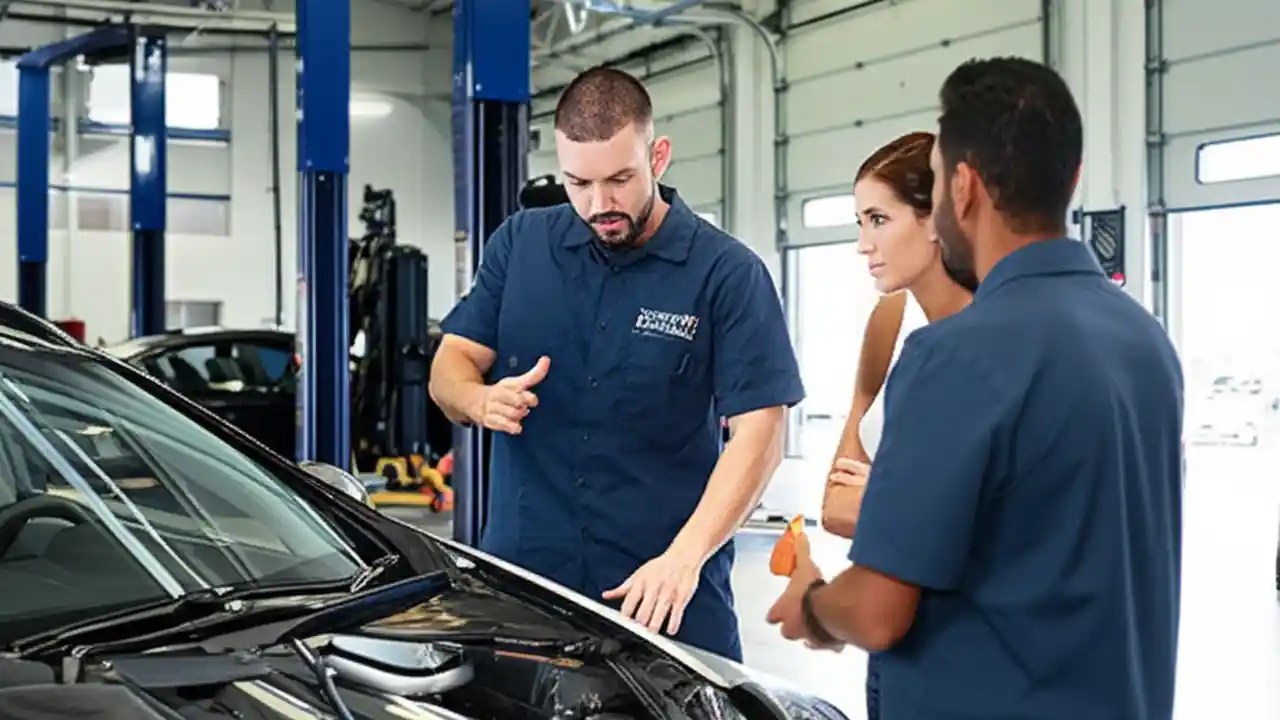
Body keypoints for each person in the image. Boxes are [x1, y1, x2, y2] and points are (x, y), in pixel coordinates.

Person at [767, 56, 1184, 720]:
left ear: (959, 190)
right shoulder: (1146, 343)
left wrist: (813, 601)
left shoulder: (954, 357)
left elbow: (877, 613)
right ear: (1072, 178)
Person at [429, 66, 804, 662]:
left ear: (658, 156)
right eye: (578, 182)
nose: (599, 204)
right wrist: (477, 399)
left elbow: (760, 432)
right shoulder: (521, 244)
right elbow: (451, 364)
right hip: (527, 588)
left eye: (620, 180)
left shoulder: (726, 274)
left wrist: (685, 558)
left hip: (665, 593)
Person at [811, 130, 977, 720]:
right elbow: (835, 504)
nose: (863, 244)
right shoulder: (892, 317)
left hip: (969, 642)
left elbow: (975, 529)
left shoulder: (996, 340)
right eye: (860, 221)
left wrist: (882, 502)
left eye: (878, 219)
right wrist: (901, 507)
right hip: (892, 642)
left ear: (936, 221)